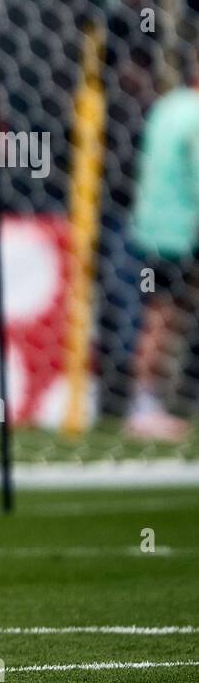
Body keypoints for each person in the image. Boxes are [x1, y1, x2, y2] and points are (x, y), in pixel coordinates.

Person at [125, 61, 199, 441]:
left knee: (160, 315)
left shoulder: (167, 106)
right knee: (163, 318)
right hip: (180, 230)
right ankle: (145, 407)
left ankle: (148, 401)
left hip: (151, 227)